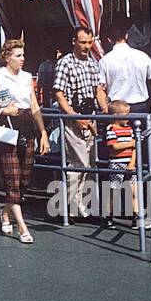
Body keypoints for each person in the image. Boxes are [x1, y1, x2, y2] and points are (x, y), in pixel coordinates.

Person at [0, 39, 48, 243]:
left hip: (27, 128)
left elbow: (35, 106)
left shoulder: (27, 77)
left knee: (24, 179)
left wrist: (43, 132)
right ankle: (23, 227)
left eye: (23, 55)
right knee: (12, 179)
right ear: (7, 58)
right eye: (18, 55)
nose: (22, 58)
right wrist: (2, 109)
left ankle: (5, 211)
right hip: (7, 131)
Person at [53, 26, 108, 221]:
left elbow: (98, 91)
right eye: (83, 42)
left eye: (89, 42)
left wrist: (106, 111)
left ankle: (84, 207)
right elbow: (59, 94)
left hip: (90, 116)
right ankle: (64, 207)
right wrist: (74, 116)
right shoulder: (65, 63)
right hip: (72, 118)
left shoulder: (93, 64)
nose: (87, 46)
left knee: (91, 164)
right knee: (79, 163)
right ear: (74, 41)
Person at [100, 17, 151, 116]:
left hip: (116, 109)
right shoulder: (143, 56)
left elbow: (100, 88)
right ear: (126, 36)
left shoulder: (105, 61)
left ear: (108, 40)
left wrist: (105, 108)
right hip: (140, 107)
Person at [103, 100, 138, 228]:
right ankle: (108, 216)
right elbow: (114, 146)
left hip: (129, 163)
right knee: (114, 190)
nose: (128, 118)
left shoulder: (130, 129)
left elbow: (135, 148)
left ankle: (136, 216)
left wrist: (132, 163)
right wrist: (131, 143)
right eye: (125, 115)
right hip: (116, 163)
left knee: (134, 190)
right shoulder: (111, 129)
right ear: (116, 116)